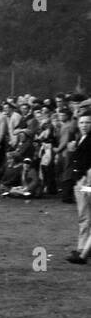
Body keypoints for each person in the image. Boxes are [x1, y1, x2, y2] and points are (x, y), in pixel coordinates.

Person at [66, 102, 91, 263]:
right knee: (84, 216)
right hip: (81, 180)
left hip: (87, 181)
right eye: (82, 122)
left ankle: (83, 251)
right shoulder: (80, 137)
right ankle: (82, 249)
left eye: (88, 122)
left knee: (86, 216)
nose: (84, 125)